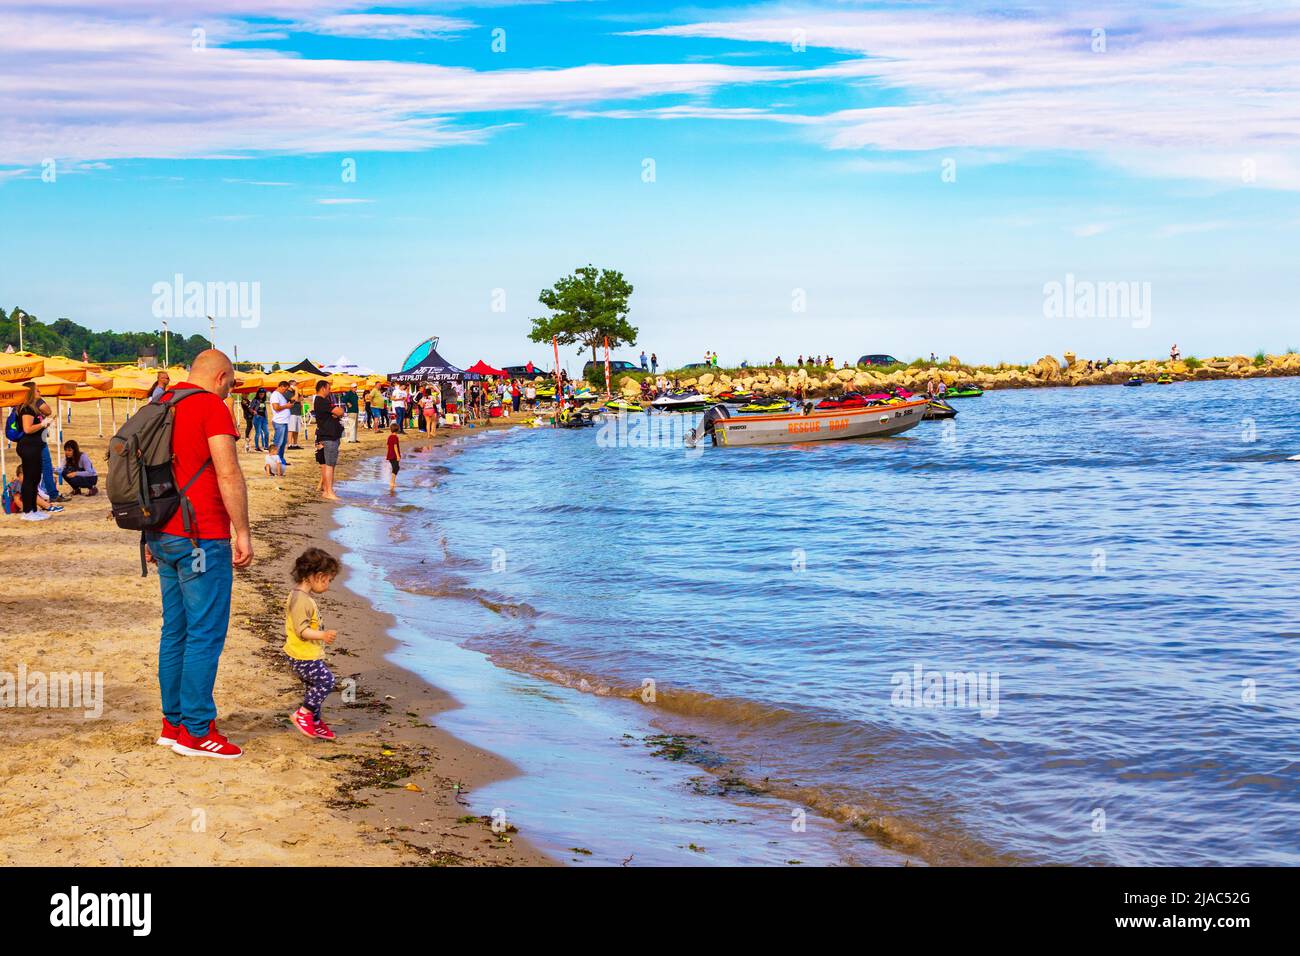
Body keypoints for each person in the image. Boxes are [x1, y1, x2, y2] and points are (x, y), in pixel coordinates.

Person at [148, 349, 252, 760]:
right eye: (230, 384)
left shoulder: (161, 403)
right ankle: (195, 731)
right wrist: (242, 530)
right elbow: (228, 472)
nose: (229, 391)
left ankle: (172, 724)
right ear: (221, 376)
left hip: (161, 532)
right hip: (200, 536)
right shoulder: (210, 406)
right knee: (205, 633)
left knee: (174, 631)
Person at [284, 547, 341, 741]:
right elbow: (302, 630)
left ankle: (315, 720)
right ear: (317, 576)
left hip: (303, 653)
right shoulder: (301, 600)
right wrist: (322, 635)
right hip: (303, 656)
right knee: (326, 681)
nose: (328, 585)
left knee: (313, 687)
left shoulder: (301, 596)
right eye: (328, 580)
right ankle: (304, 714)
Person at [13, 382, 49, 516]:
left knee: (35, 478)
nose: (40, 392)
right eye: (37, 390)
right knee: (29, 478)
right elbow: (27, 429)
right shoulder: (26, 408)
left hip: (34, 446)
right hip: (28, 446)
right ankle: (28, 511)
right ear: (30, 392)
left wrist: (45, 424)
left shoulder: (34, 408)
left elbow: (47, 412)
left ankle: (34, 509)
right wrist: (42, 424)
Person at [312, 380, 344, 501]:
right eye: (329, 388)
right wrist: (337, 413)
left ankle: (326, 490)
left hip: (327, 435)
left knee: (326, 464)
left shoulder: (320, 401)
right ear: (323, 388)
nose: (330, 391)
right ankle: (329, 491)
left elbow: (337, 413)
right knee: (330, 465)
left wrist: (336, 414)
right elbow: (339, 411)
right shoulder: (322, 400)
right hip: (329, 436)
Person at [269, 381, 293, 466]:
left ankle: (280, 460)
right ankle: (275, 462)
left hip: (283, 421)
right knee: (278, 443)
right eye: (285, 389)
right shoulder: (275, 395)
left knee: (282, 443)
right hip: (280, 422)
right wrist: (286, 406)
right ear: (281, 386)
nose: (285, 391)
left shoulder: (280, 395)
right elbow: (276, 408)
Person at [386, 421, 401, 491]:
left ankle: (392, 482)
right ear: (397, 430)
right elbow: (395, 446)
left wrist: (387, 454)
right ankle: (392, 482)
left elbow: (388, 446)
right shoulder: (395, 437)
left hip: (390, 454)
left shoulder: (389, 437)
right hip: (394, 455)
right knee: (396, 468)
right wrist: (398, 455)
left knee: (395, 468)